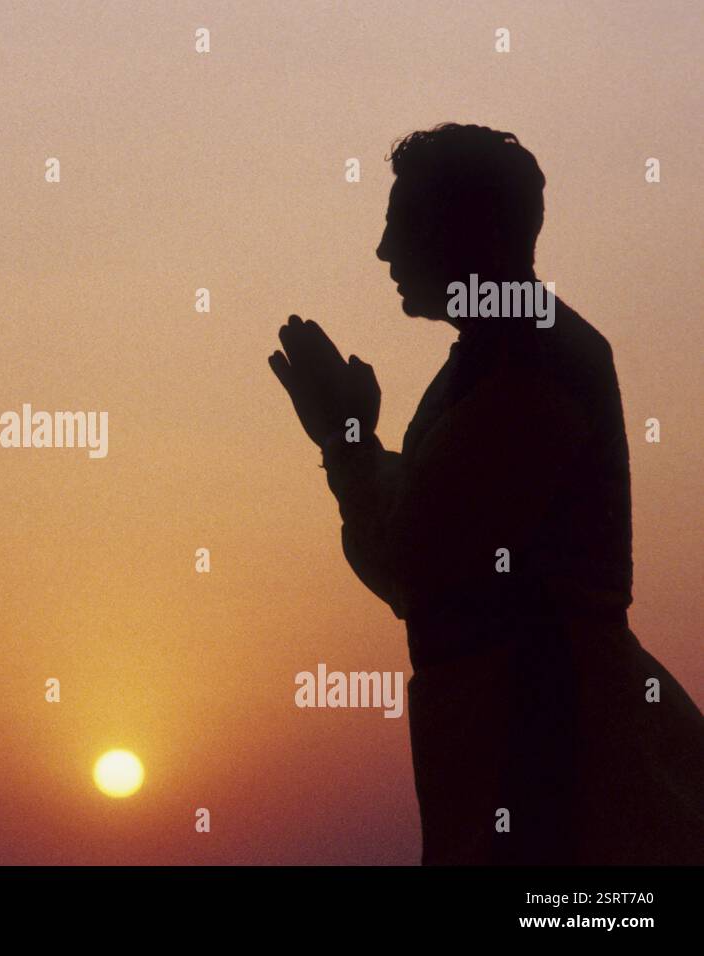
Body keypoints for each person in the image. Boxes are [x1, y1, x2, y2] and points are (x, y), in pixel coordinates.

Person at [269, 123, 704, 864]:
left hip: (551, 758)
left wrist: (347, 447)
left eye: (403, 224)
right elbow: (422, 560)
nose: (383, 250)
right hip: (509, 744)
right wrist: (349, 447)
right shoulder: (491, 363)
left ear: (475, 235)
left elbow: (420, 560)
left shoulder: (537, 365)